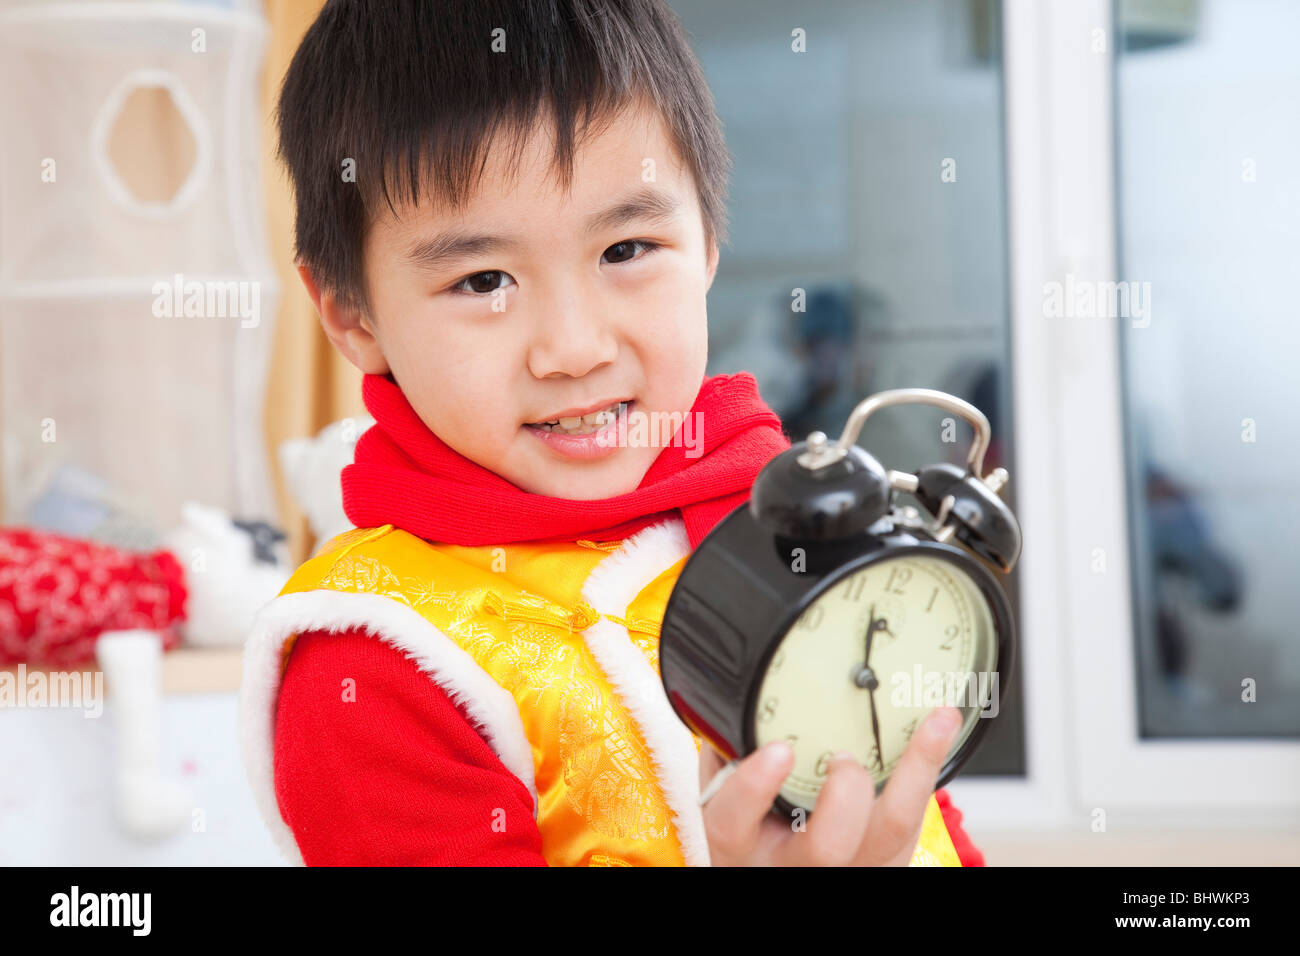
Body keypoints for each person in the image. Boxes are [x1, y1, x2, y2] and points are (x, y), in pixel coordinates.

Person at [238, 0, 985, 867]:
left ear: (708, 241)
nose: (574, 349)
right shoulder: (371, 665)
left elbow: (930, 832)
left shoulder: (784, 515)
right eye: (483, 280)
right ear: (351, 314)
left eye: (627, 250)